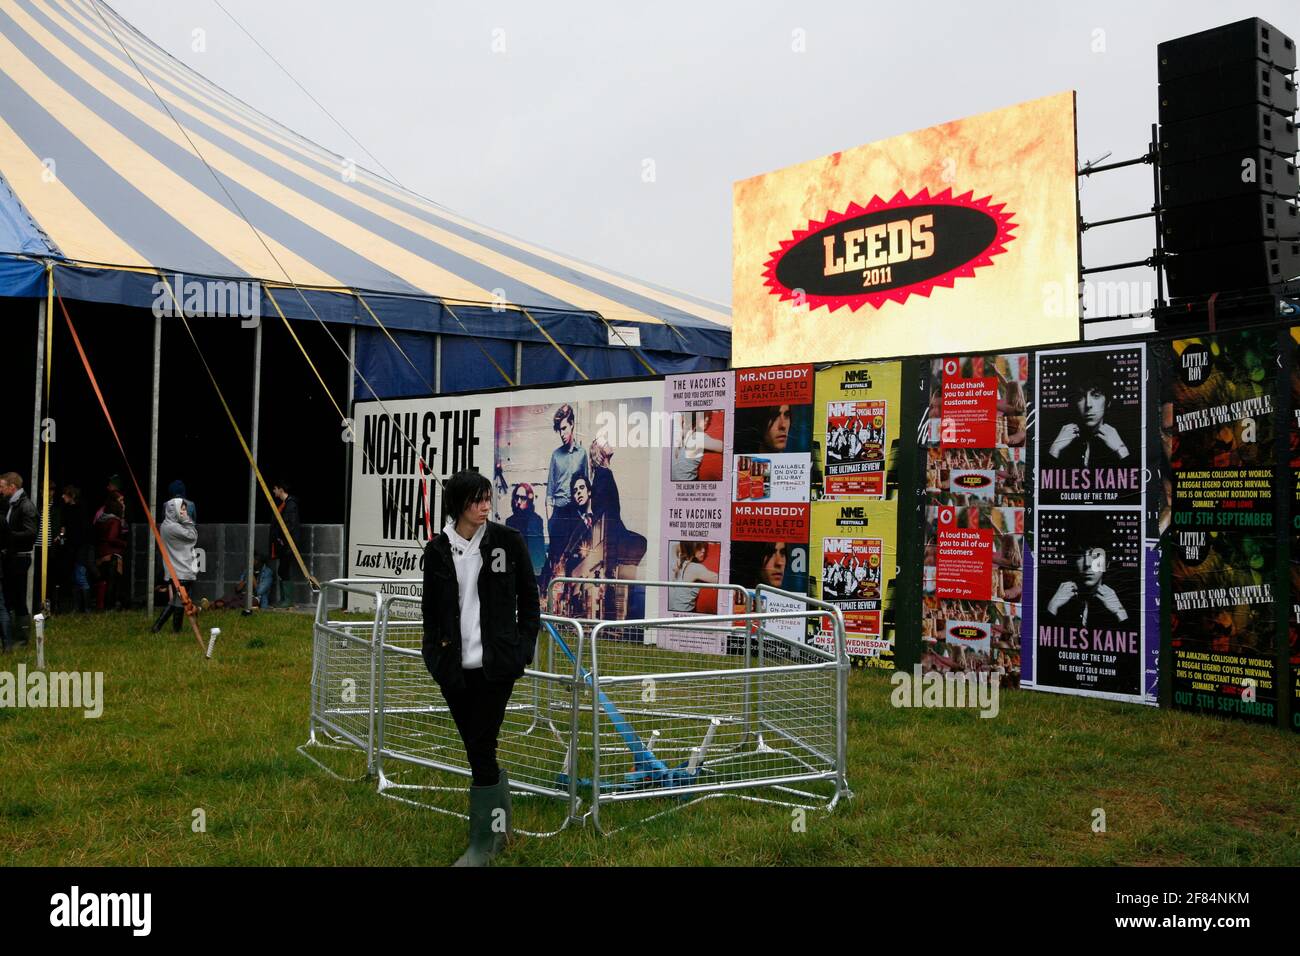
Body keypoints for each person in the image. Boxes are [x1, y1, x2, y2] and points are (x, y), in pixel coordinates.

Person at [421, 469, 539, 867]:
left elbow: (530, 599)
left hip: (496, 667)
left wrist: (522, 648)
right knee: (476, 747)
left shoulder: (508, 541)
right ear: (458, 504)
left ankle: (484, 844)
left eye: (487, 497)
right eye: (476, 499)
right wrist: (434, 659)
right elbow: (431, 614)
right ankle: (501, 826)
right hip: (454, 667)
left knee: (481, 748)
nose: (485, 505)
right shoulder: (437, 550)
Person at [1048, 374, 1130, 467]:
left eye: (1096, 395)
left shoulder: (1126, 440)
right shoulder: (1062, 440)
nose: (1088, 404)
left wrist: (1121, 450)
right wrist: (1054, 449)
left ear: (1108, 402)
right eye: (1080, 397)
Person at [1046, 545, 1129, 626]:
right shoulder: (1058, 598)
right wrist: (1052, 606)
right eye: (1080, 556)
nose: (1087, 563)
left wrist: (1121, 613)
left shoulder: (1125, 599)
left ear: (1106, 564)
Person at [0, 473, 37, 648]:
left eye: (2, 486)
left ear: (12, 487)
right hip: (11, 556)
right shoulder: (12, 503)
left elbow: (31, 533)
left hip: (20, 558)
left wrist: (8, 536)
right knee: (9, 597)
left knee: (19, 598)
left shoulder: (26, 505)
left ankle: (22, 639)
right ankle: (10, 636)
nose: (0, 490)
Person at [151, 498, 198, 634]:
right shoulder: (173, 527)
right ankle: (175, 630)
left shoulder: (168, 525)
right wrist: (187, 520)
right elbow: (193, 536)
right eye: (182, 509)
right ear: (174, 510)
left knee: (177, 599)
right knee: (180, 600)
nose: (185, 512)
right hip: (181, 570)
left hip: (177, 569)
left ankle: (158, 627)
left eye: (185, 509)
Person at [546, 404, 589, 548]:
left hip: (576, 514)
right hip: (558, 514)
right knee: (556, 561)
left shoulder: (582, 454)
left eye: (564, 428)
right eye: (559, 430)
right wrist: (550, 522)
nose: (562, 434)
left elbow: (587, 489)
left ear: (571, 425)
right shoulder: (556, 455)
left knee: (576, 560)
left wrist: (586, 516)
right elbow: (549, 493)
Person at [59, 485, 92, 613]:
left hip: (81, 548)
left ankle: (87, 608)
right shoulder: (66, 509)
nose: (62, 497)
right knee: (74, 577)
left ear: (71, 495)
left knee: (80, 576)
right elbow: (65, 527)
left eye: (65, 494)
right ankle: (77, 607)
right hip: (71, 548)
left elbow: (83, 531)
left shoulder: (81, 509)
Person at [270, 479, 302, 608]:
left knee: (284, 570)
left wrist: (283, 540)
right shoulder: (285, 504)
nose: (274, 491)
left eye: (275, 489)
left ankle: (287, 600)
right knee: (282, 570)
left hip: (288, 545)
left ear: (281, 489)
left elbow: (289, 526)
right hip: (284, 544)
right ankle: (284, 599)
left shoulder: (290, 505)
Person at [504, 483, 546, 576]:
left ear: (529, 500)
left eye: (523, 498)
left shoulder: (537, 521)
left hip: (532, 572)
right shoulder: (509, 521)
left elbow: (538, 553)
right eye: (517, 497)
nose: (518, 501)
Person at [93, 495, 127, 610]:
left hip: (101, 553)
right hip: (112, 554)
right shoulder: (114, 521)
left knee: (105, 582)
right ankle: (110, 606)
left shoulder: (102, 519)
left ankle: (103, 605)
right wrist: (124, 543)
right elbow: (111, 538)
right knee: (112, 582)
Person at [670, 411, 724, 482]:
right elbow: (724, 447)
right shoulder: (698, 437)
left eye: (709, 417)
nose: (707, 419)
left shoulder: (674, 432)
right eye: (704, 417)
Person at [668, 541, 718, 613]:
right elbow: (722, 580)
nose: (703, 550)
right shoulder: (695, 568)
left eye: (704, 547)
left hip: (675, 609)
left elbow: (677, 546)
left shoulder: (681, 562)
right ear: (690, 548)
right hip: (685, 612)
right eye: (699, 547)